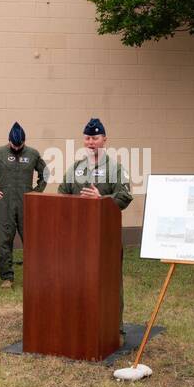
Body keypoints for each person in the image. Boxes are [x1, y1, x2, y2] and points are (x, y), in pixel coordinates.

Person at [59, 117, 132, 323]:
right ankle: (79, 324)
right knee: (78, 280)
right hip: (78, 236)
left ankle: (113, 326)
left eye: (95, 138)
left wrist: (102, 199)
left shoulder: (116, 169)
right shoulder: (76, 168)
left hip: (105, 236)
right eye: (87, 138)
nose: (91, 142)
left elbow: (125, 196)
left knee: (109, 282)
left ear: (104, 140)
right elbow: (62, 194)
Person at [0, 121, 48, 289]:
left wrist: (37, 191)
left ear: (24, 141)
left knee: (31, 240)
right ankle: (7, 277)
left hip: (26, 203)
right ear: (9, 141)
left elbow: (45, 172)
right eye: (13, 145)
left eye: (19, 145)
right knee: (4, 240)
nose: (16, 148)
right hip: (5, 203)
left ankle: (34, 275)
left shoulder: (33, 154)